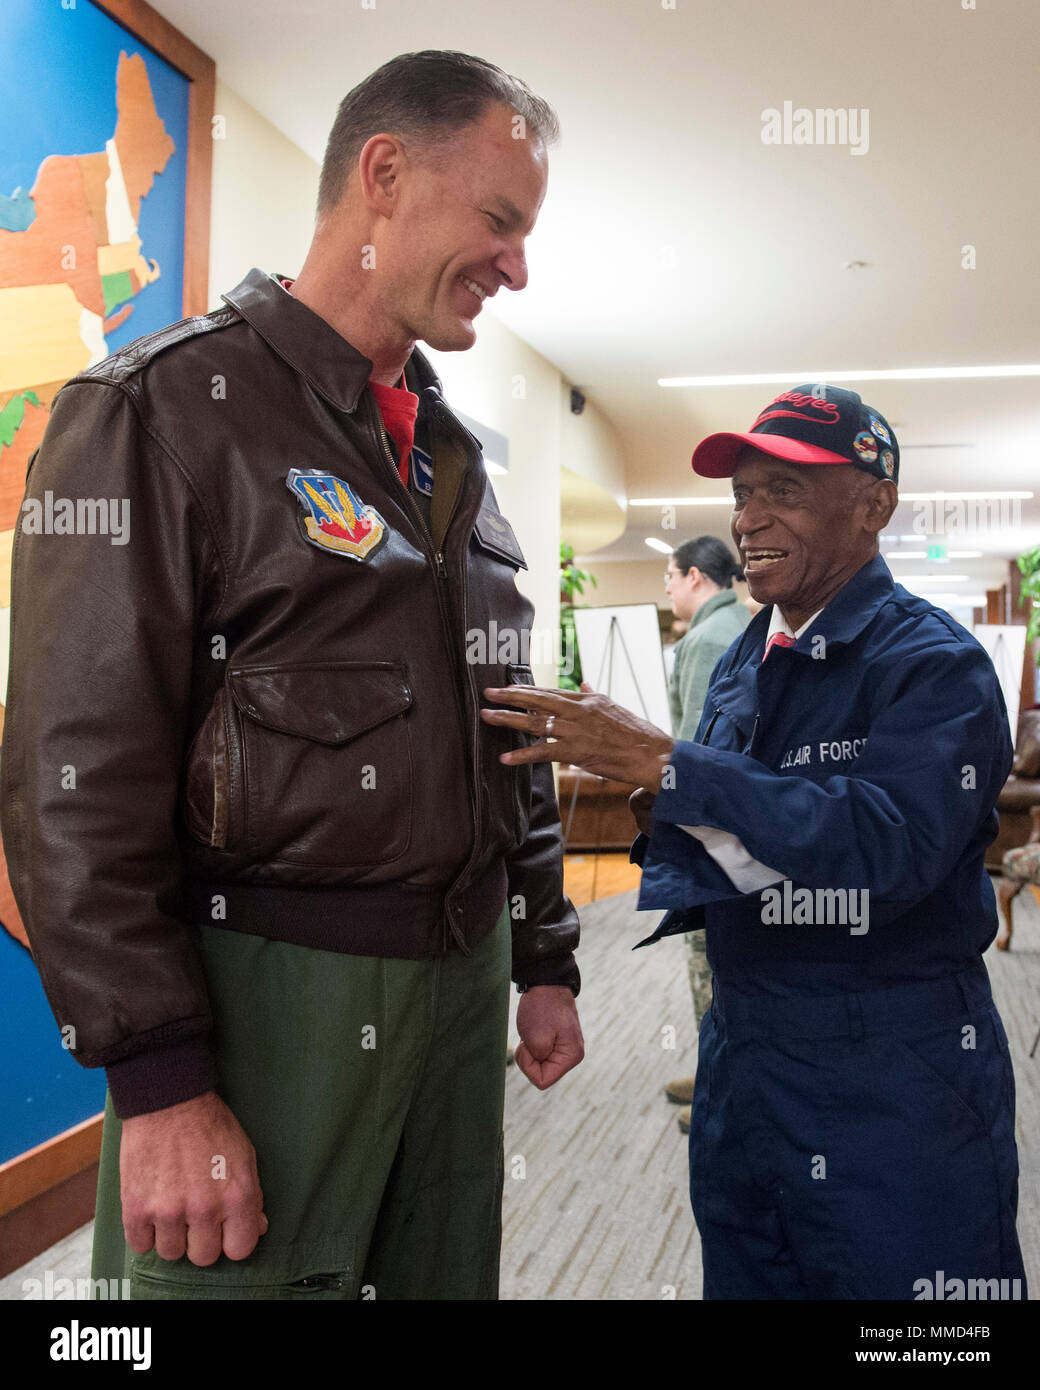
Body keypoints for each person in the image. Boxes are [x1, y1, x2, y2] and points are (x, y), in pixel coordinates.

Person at [1, 50, 584, 1301]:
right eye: (499, 220)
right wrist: (155, 1079)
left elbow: (506, 728)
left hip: (461, 982)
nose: (517, 267)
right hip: (269, 994)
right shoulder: (157, 411)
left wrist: (543, 954)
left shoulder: (453, 460)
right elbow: (72, 776)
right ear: (383, 175)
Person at [482, 383, 1026, 1300]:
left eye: (785, 490)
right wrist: (674, 799)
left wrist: (673, 768)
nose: (749, 518)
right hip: (745, 1056)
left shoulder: (935, 665)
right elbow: (740, 823)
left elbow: (886, 847)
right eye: (741, 494)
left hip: (892, 1072)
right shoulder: (749, 652)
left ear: (875, 503)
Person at [662, 538, 749, 1129]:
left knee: (710, 963)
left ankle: (727, 1097)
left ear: (695, 576)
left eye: (669, 577)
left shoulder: (703, 641)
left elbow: (696, 756)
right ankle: (717, 1073)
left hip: (713, 836)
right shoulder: (744, 625)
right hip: (744, 830)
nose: (665, 589)